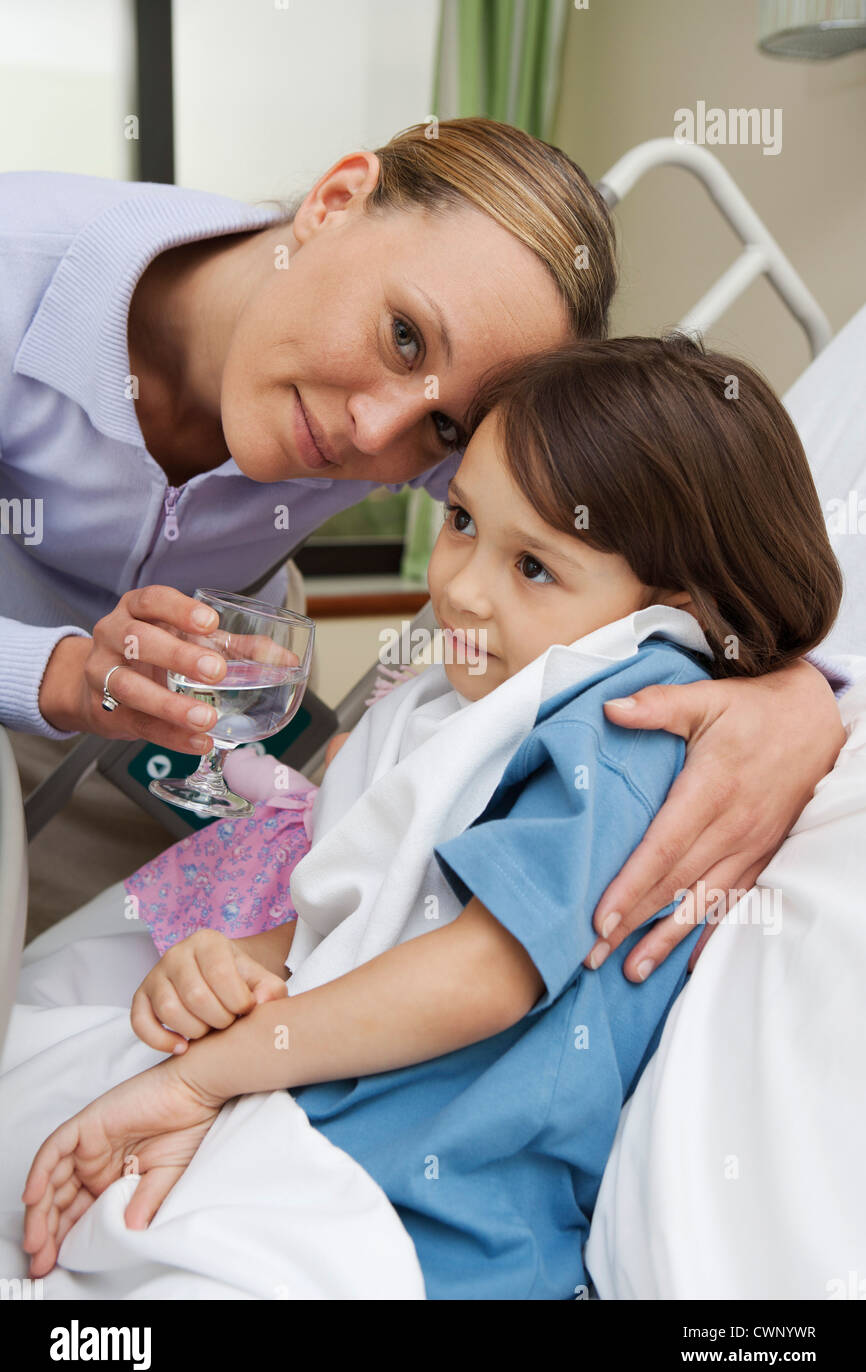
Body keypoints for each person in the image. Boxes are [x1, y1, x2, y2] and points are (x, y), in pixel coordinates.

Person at [19, 334, 843, 1299]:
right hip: (311, 1142)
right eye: (461, 520)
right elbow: (369, 915)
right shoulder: (455, 707)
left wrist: (209, 1074)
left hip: (410, 1220)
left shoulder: (634, 717)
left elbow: (486, 973)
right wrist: (238, 966)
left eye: (533, 566)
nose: (459, 585)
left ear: (672, 604)